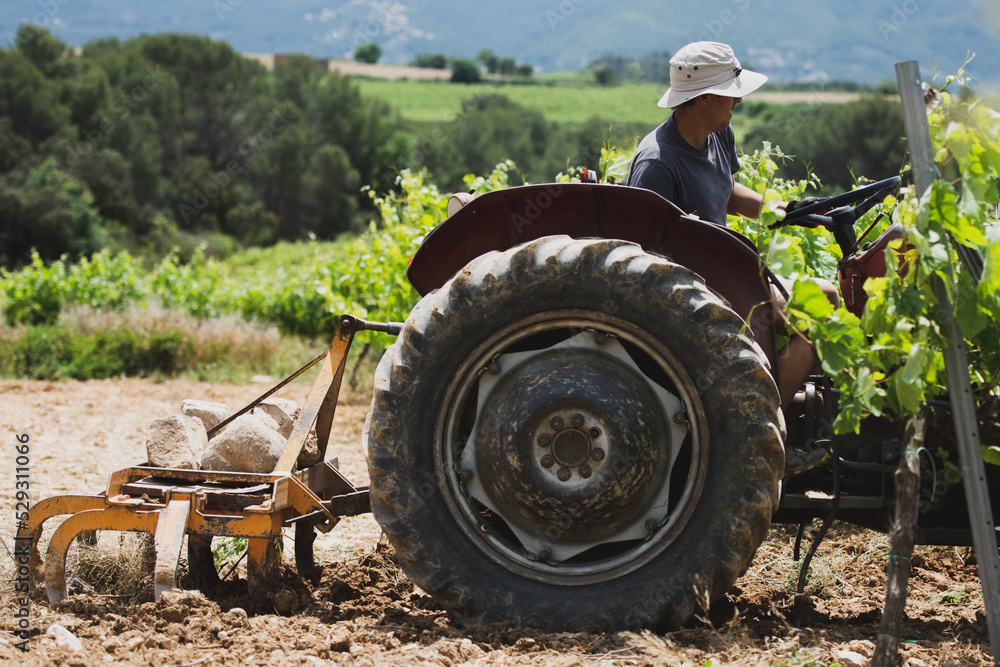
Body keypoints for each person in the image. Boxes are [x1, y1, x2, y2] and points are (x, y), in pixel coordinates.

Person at [627, 41, 836, 474]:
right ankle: (758, 431)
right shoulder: (657, 164)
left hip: (729, 272)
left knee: (825, 294)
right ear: (701, 98)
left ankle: (775, 415)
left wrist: (783, 209)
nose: (739, 99)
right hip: (696, 292)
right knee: (823, 302)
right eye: (730, 92)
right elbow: (644, 258)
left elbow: (727, 190)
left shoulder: (718, 134)